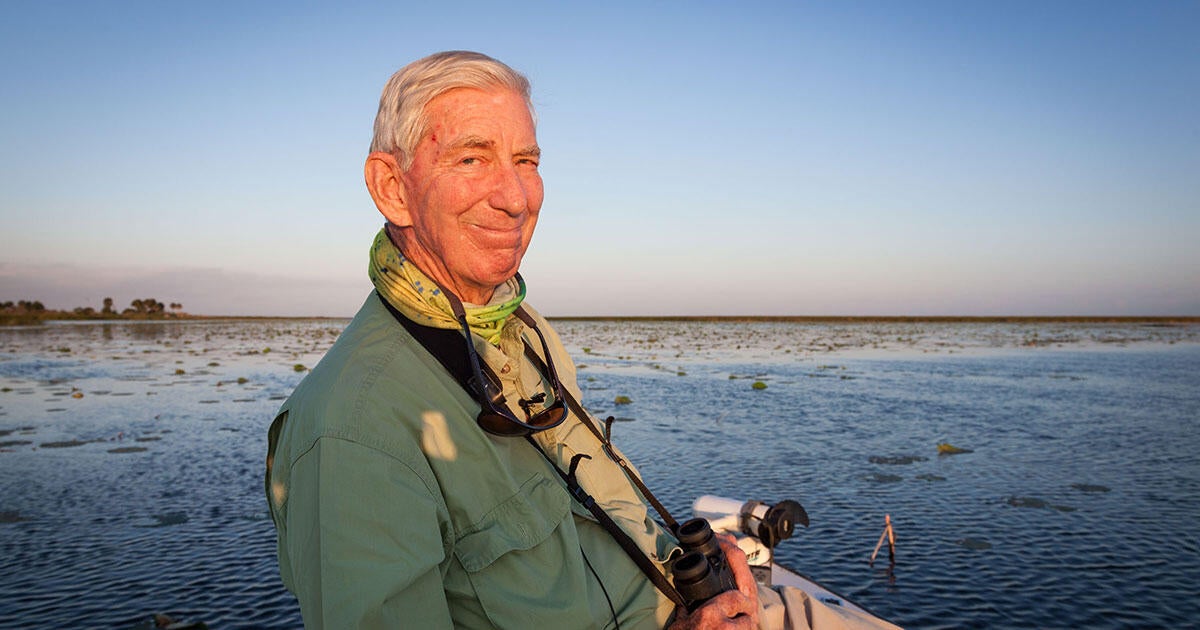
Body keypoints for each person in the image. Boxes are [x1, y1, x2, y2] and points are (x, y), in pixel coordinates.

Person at [266, 51, 897, 630]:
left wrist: (702, 571)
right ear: (392, 188)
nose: (514, 197)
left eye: (526, 161)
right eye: (471, 157)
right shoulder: (351, 428)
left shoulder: (524, 329)